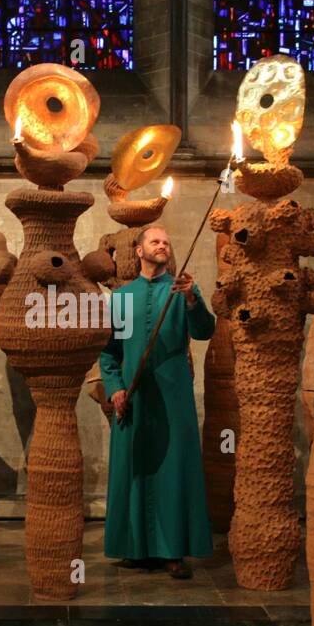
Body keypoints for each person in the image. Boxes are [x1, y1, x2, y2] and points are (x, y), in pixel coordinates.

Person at [99, 225, 216, 579]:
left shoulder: (183, 291)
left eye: (167, 241)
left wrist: (193, 300)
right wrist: (115, 387)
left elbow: (204, 331)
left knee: (172, 468)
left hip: (173, 395)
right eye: (156, 241)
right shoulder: (120, 298)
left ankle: (172, 551)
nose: (163, 245)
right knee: (133, 466)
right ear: (139, 251)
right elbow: (108, 353)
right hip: (134, 398)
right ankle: (135, 549)